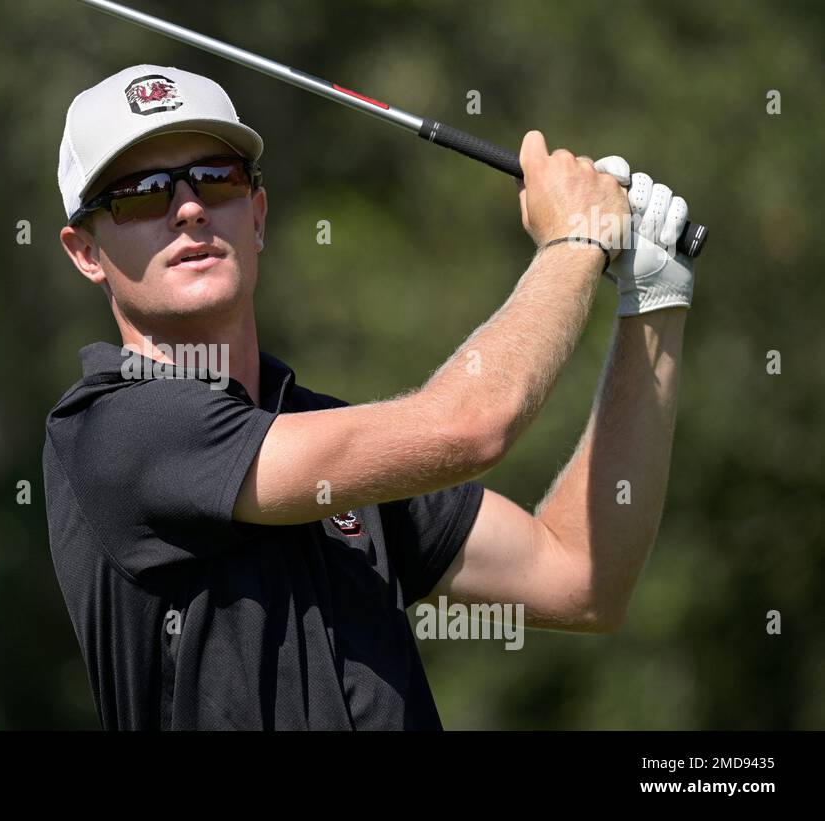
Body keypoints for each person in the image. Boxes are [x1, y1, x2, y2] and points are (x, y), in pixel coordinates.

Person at [44, 64, 695, 730]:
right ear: (87, 251)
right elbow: (469, 427)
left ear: (258, 215)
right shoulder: (114, 427)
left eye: (217, 177)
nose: (188, 206)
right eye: (143, 193)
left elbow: (582, 577)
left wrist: (654, 302)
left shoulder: (320, 431)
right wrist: (575, 240)